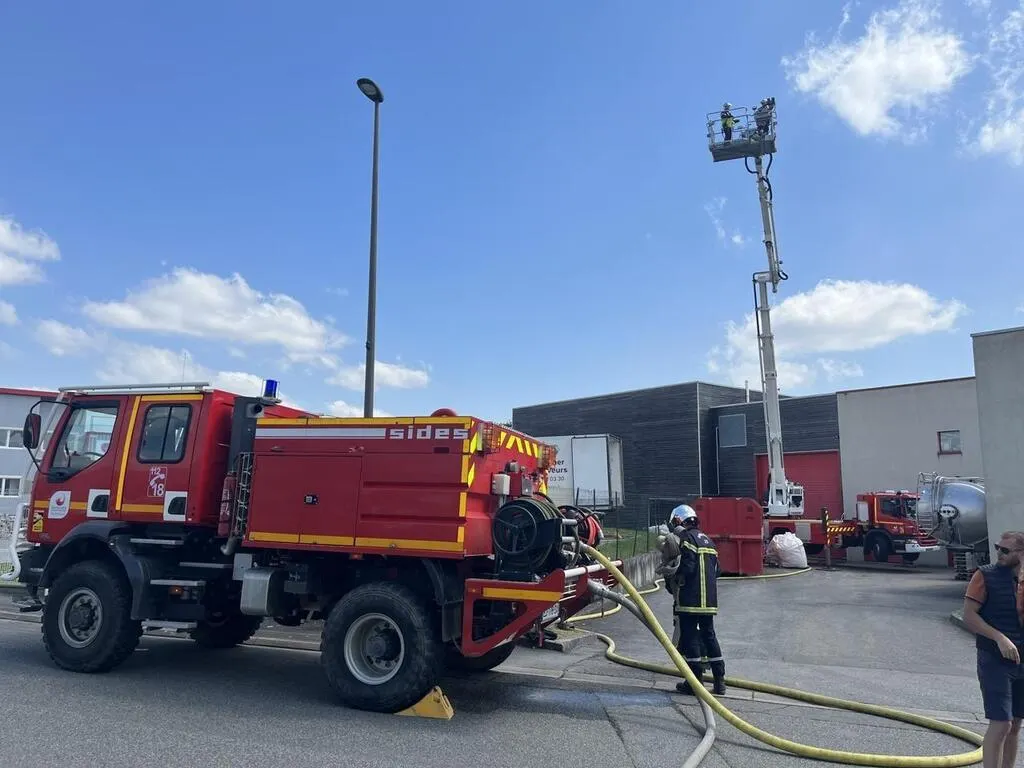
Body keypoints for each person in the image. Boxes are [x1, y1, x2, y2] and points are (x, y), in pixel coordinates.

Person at [963, 531, 1024, 768]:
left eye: (1005, 550)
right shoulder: (985, 576)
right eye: (998, 547)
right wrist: (999, 638)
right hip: (994, 660)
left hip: (1021, 661)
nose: (999, 552)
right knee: (1001, 723)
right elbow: (969, 616)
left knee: (1016, 723)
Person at [668, 504, 726, 696]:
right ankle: (719, 682)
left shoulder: (686, 538)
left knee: (690, 636)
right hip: (709, 600)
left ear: (679, 521)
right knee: (709, 635)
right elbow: (717, 570)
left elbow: (688, 567)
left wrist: (674, 577)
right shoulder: (708, 540)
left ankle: (694, 682)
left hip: (690, 598)